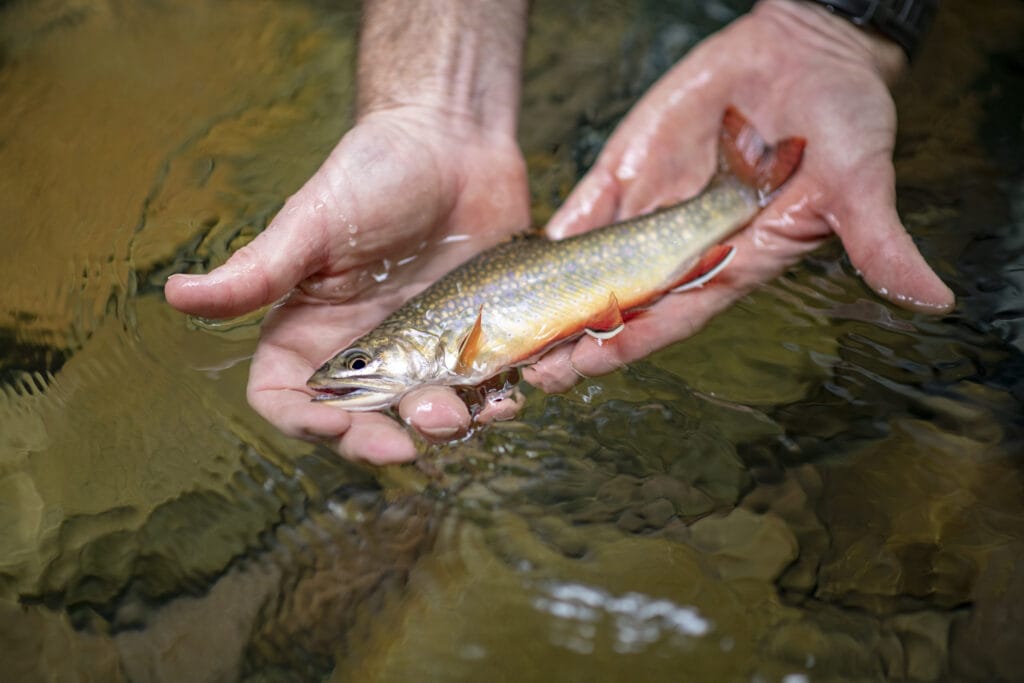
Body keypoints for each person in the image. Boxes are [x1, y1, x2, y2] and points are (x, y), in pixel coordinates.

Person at [165, 0, 953, 464]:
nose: (353, 373)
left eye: (364, 361)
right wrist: (440, 109)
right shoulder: (439, 345)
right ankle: (732, 192)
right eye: (359, 363)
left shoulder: (460, 349)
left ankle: (732, 193)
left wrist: (840, 28)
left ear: (409, 343)